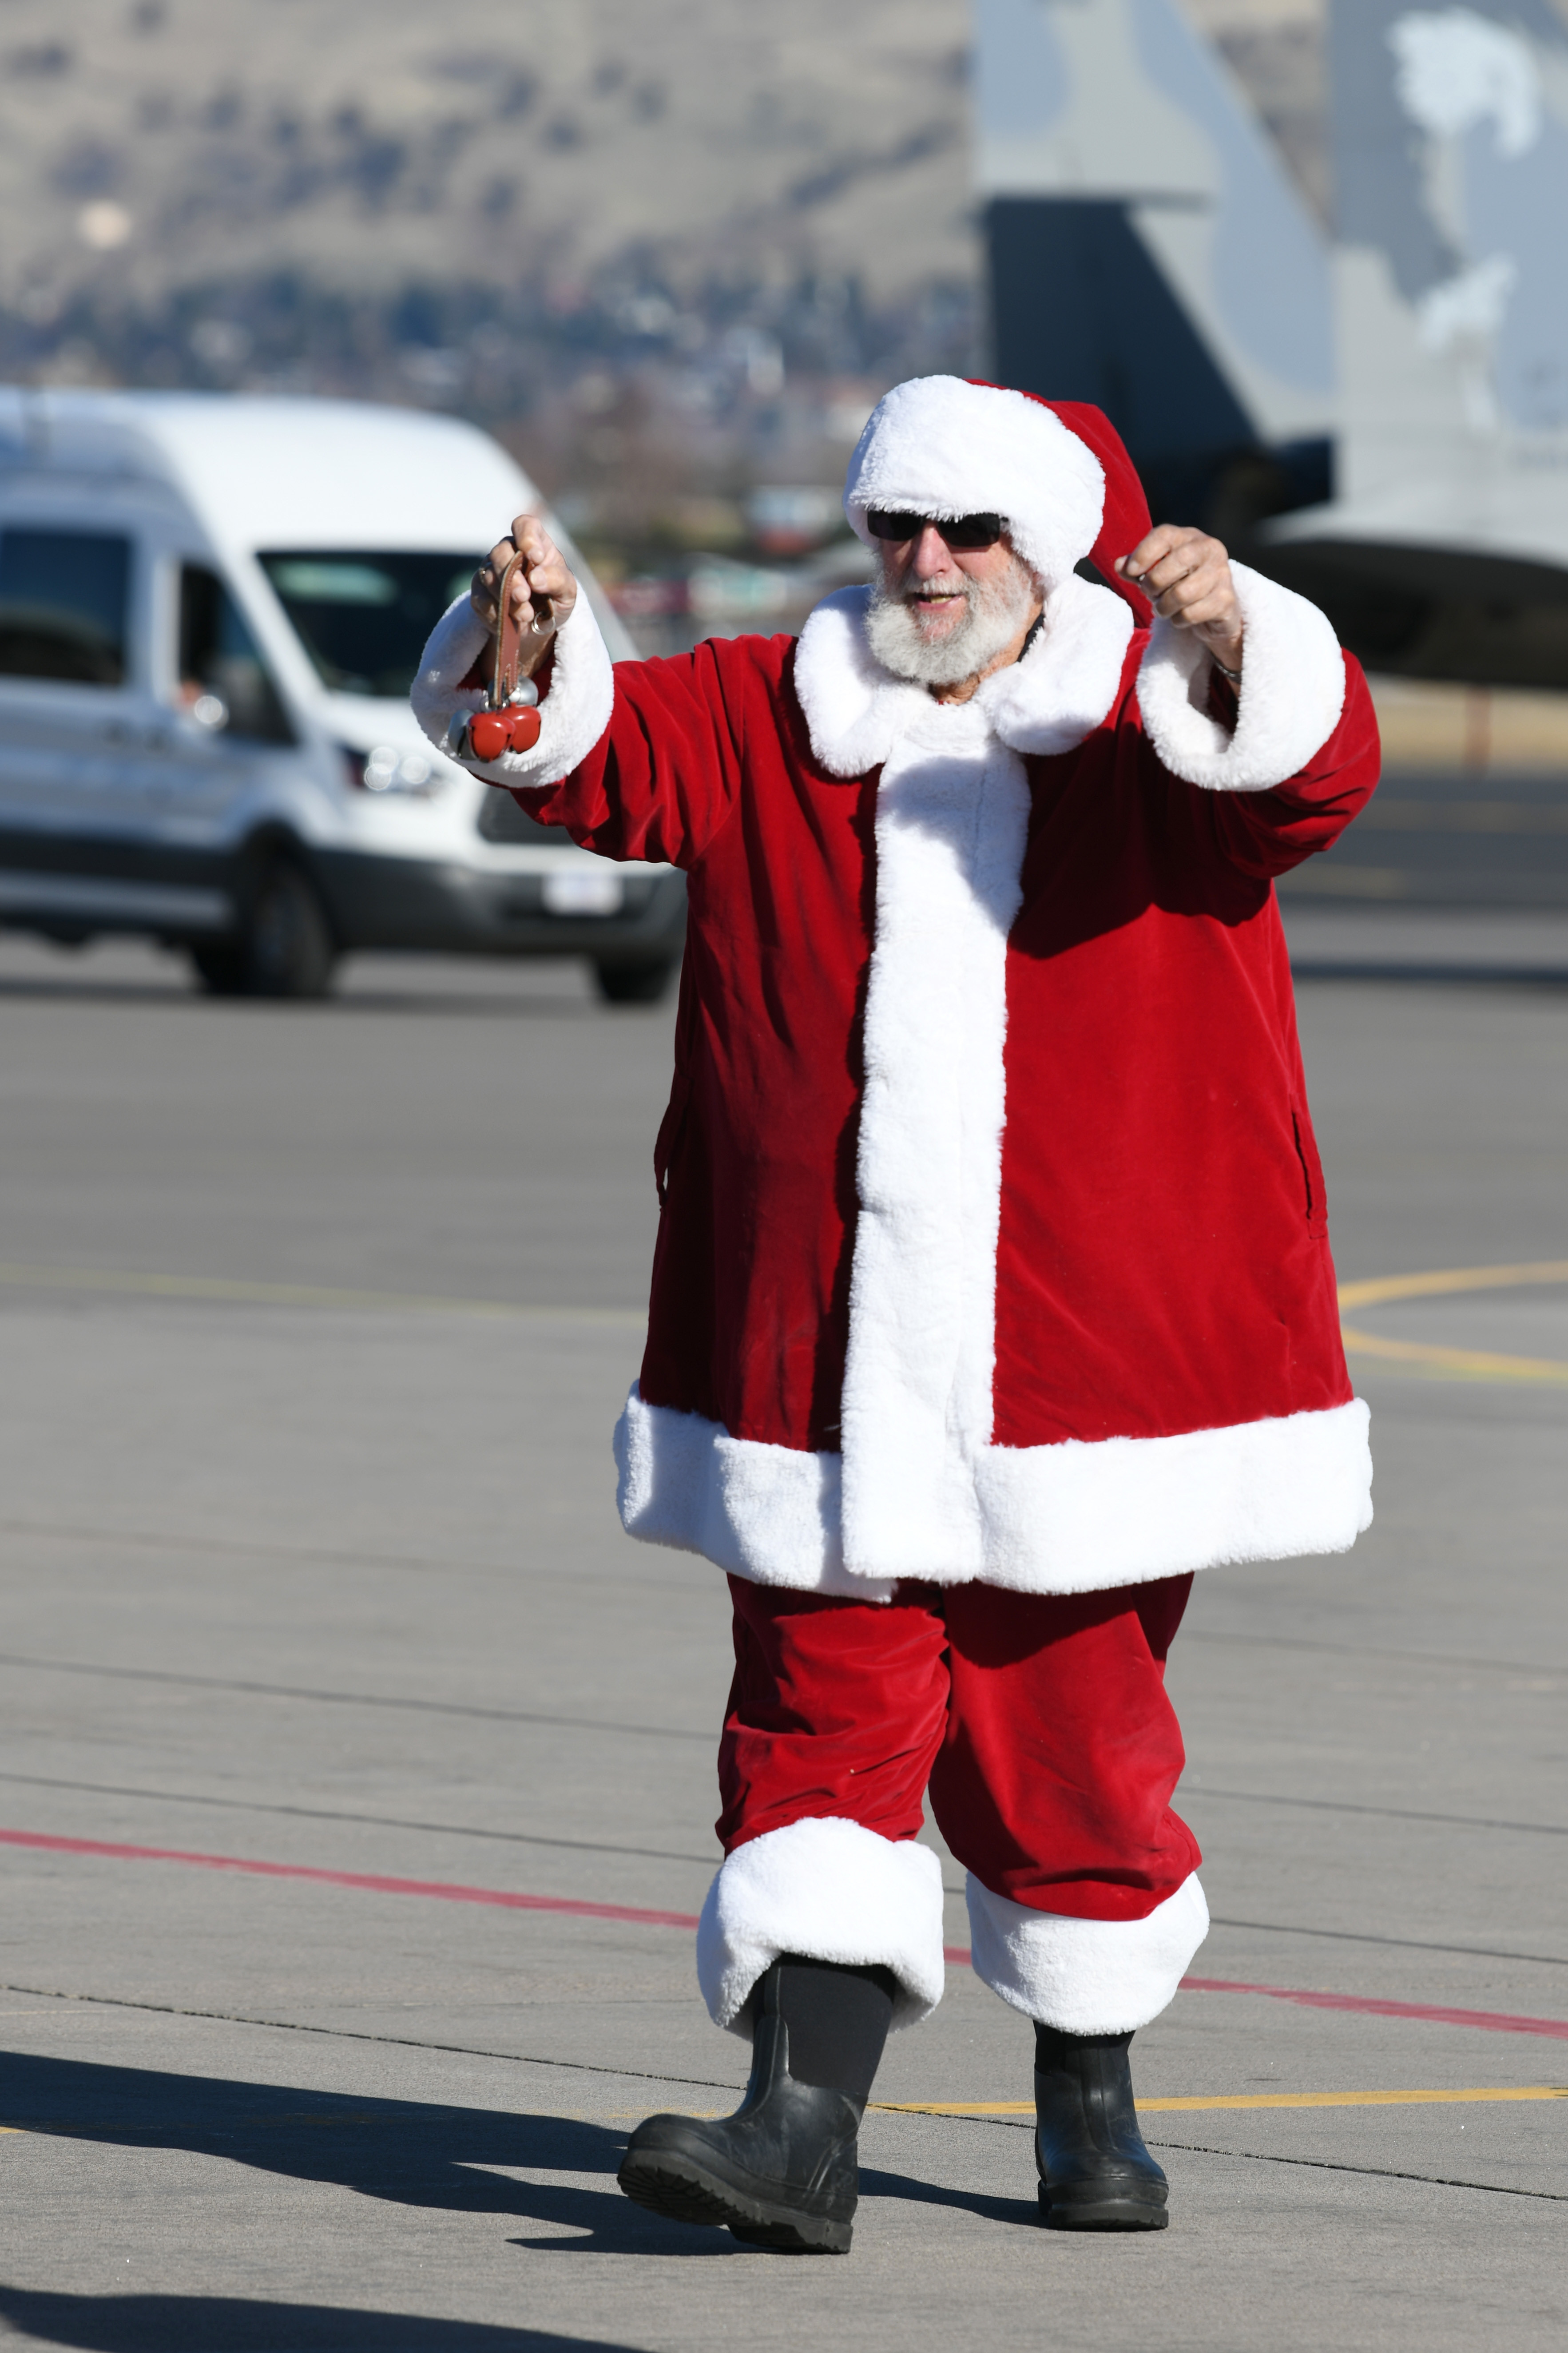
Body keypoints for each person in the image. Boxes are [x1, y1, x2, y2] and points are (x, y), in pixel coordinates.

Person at [412, 376, 1379, 2251]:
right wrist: (519, 645)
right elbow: (580, 758)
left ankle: (1089, 2088)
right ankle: (797, 2128)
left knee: (1069, 1736)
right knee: (812, 1716)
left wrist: (1242, 633)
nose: (922, 564)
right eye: (894, 527)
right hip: (813, 1353)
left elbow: (1308, 770)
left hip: (1091, 1364)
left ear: (1048, 546)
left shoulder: (1148, 719)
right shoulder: (777, 709)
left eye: (967, 531)